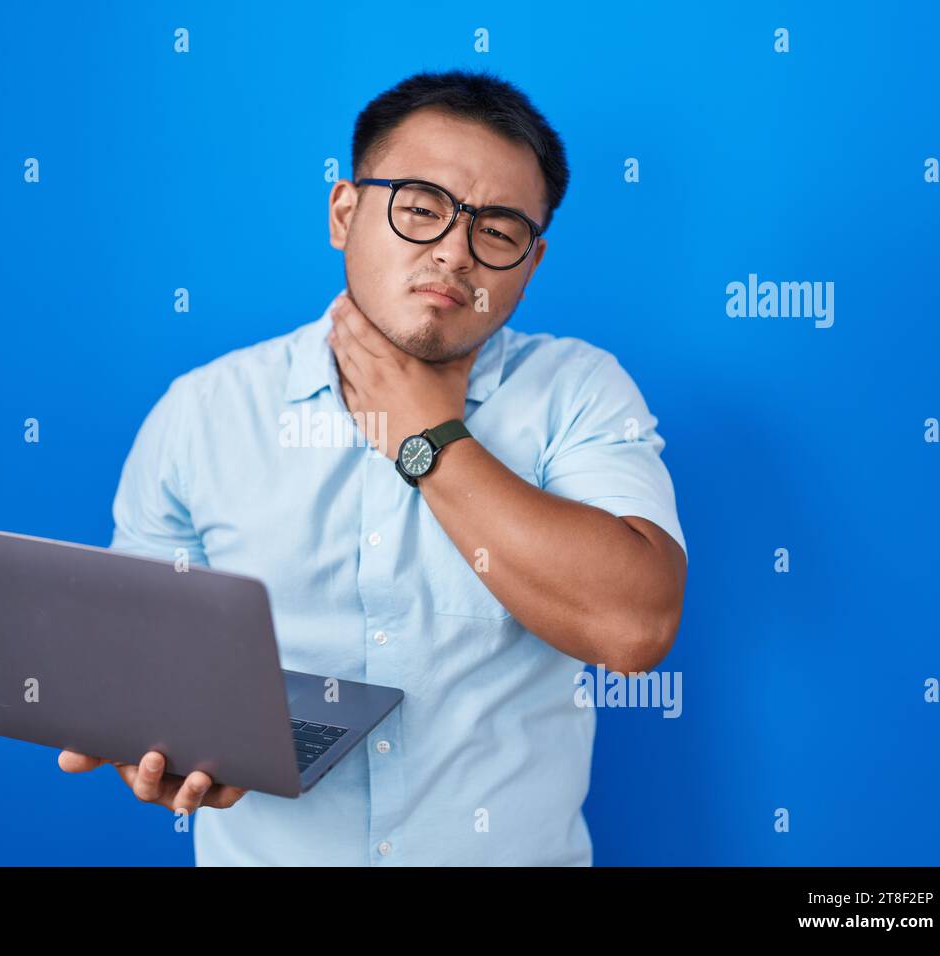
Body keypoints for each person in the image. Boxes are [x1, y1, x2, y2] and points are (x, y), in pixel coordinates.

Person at [59, 68, 688, 865]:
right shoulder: (202, 412)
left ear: (531, 263)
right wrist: (154, 743)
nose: (454, 253)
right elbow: (144, 667)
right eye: (421, 209)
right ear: (344, 212)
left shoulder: (578, 392)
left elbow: (634, 628)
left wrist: (425, 436)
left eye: (497, 231)